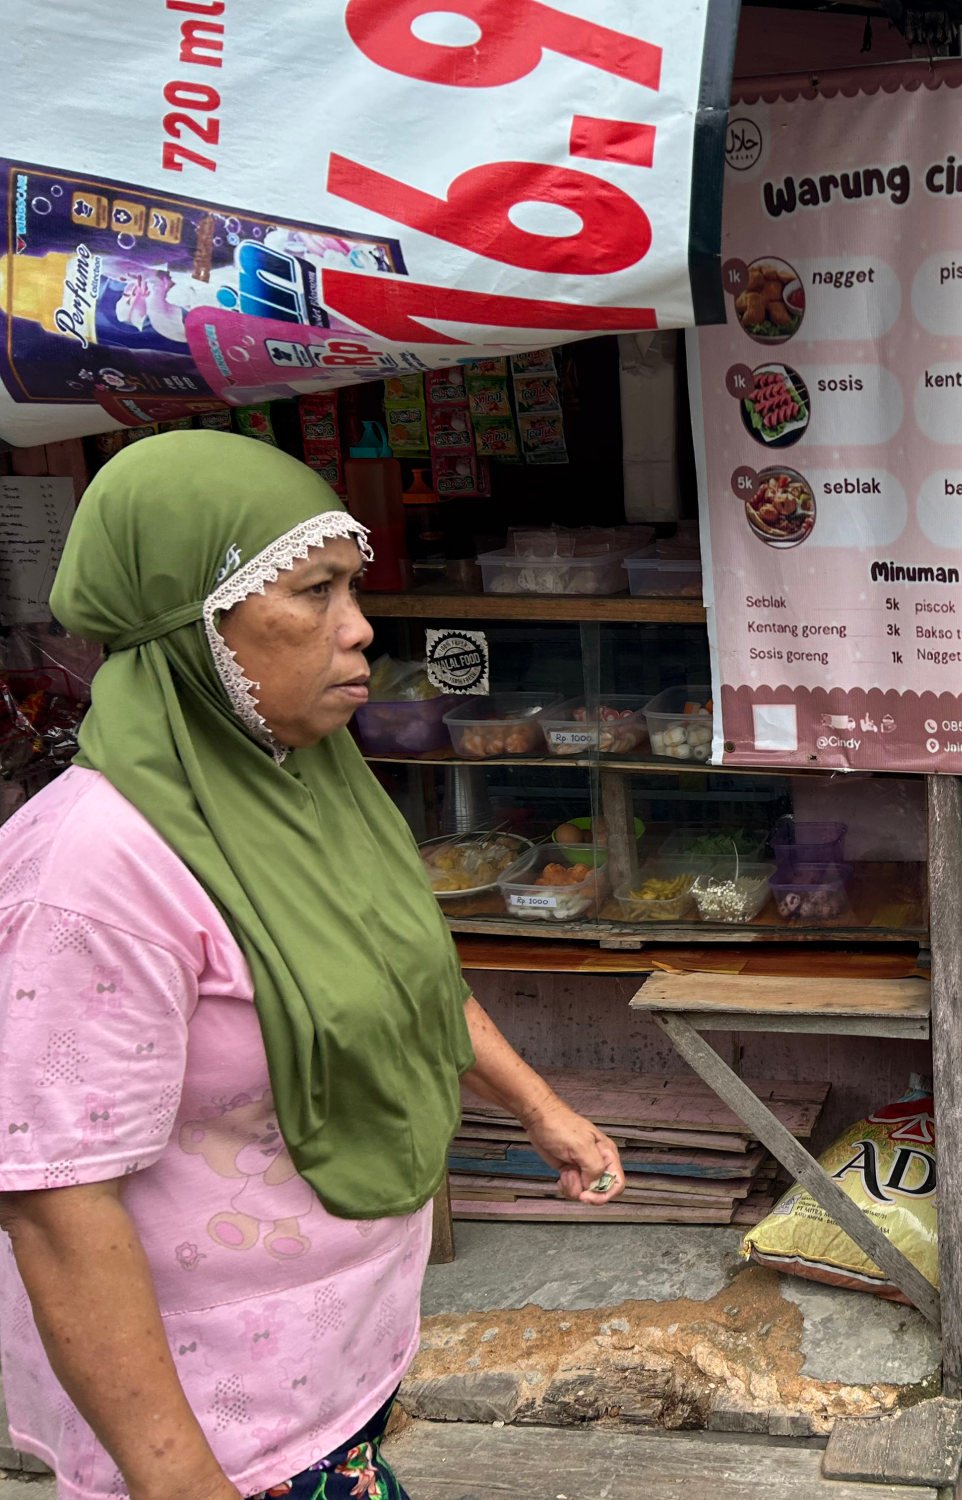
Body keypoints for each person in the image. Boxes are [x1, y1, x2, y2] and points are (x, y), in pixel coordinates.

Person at [0, 431, 625, 1500]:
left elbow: (406, 976)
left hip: (337, 1372)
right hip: (213, 1433)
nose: (360, 629)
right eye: (313, 592)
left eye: (354, 589)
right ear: (192, 627)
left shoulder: (307, 782)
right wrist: (179, 1483)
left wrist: (535, 1106)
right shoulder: (92, 868)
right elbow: (55, 1200)